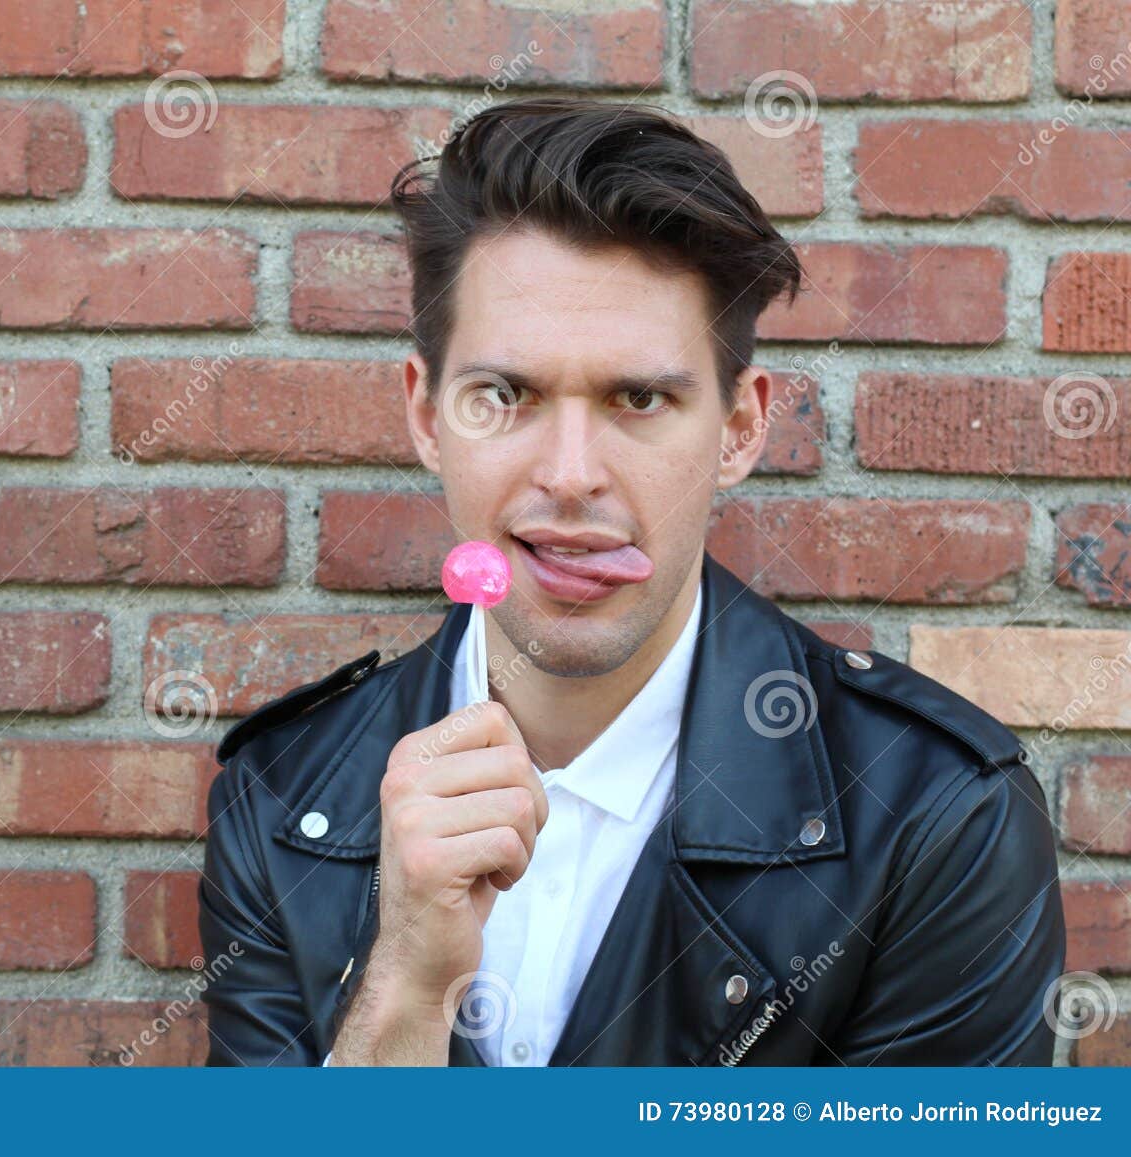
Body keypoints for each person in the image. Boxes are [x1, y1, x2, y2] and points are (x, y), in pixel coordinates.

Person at [197, 98, 1066, 1066]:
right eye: (505, 395)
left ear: (739, 428)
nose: (570, 474)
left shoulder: (932, 814)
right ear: (426, 414)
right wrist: (401, 986)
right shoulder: (280, 796)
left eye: (639, 397)